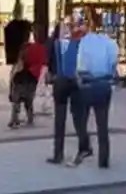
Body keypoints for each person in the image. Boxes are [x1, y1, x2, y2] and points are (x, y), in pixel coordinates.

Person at [71, 11, 119, 169]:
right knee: (102, 124)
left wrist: (79, 81)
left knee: (81, 119)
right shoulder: (110, 43)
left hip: (88, 84)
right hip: (104, 85)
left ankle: (84, 146)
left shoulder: (84, 42)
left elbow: (80, 66)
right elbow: (113, 65)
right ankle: (103, 160)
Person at [44, 17, 81, 166]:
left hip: (60, 81)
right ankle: (83, 149)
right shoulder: (79, 43)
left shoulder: (54, 43)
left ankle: (58, 154)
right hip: (75, 81)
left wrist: (51, 74)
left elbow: (48, 62)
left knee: (60, 120)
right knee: (79, 118)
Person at [8, 24, 46, 129]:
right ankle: (30, 118)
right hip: (33, 77)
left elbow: (22, 61)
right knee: (29, 99)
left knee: (17, 97)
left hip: (23, 75)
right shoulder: (42, 48)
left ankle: (14, 118)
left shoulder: (27, 47)